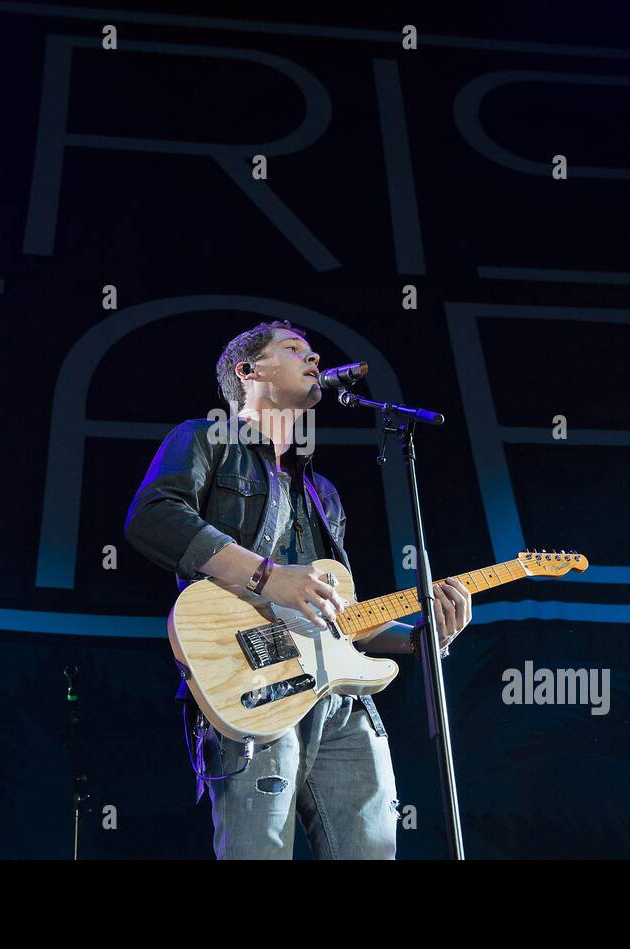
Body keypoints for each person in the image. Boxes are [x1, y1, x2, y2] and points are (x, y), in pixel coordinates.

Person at [124, 319, 471, 859]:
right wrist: (268, 575)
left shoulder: (323, 492)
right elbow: (154, 517)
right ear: (249, 370)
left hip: (339, 699)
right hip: (253, 691)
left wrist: (420, 636)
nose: (313, 359)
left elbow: (343, 616)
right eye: (294, 350)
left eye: (313, 353)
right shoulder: (204, 438)